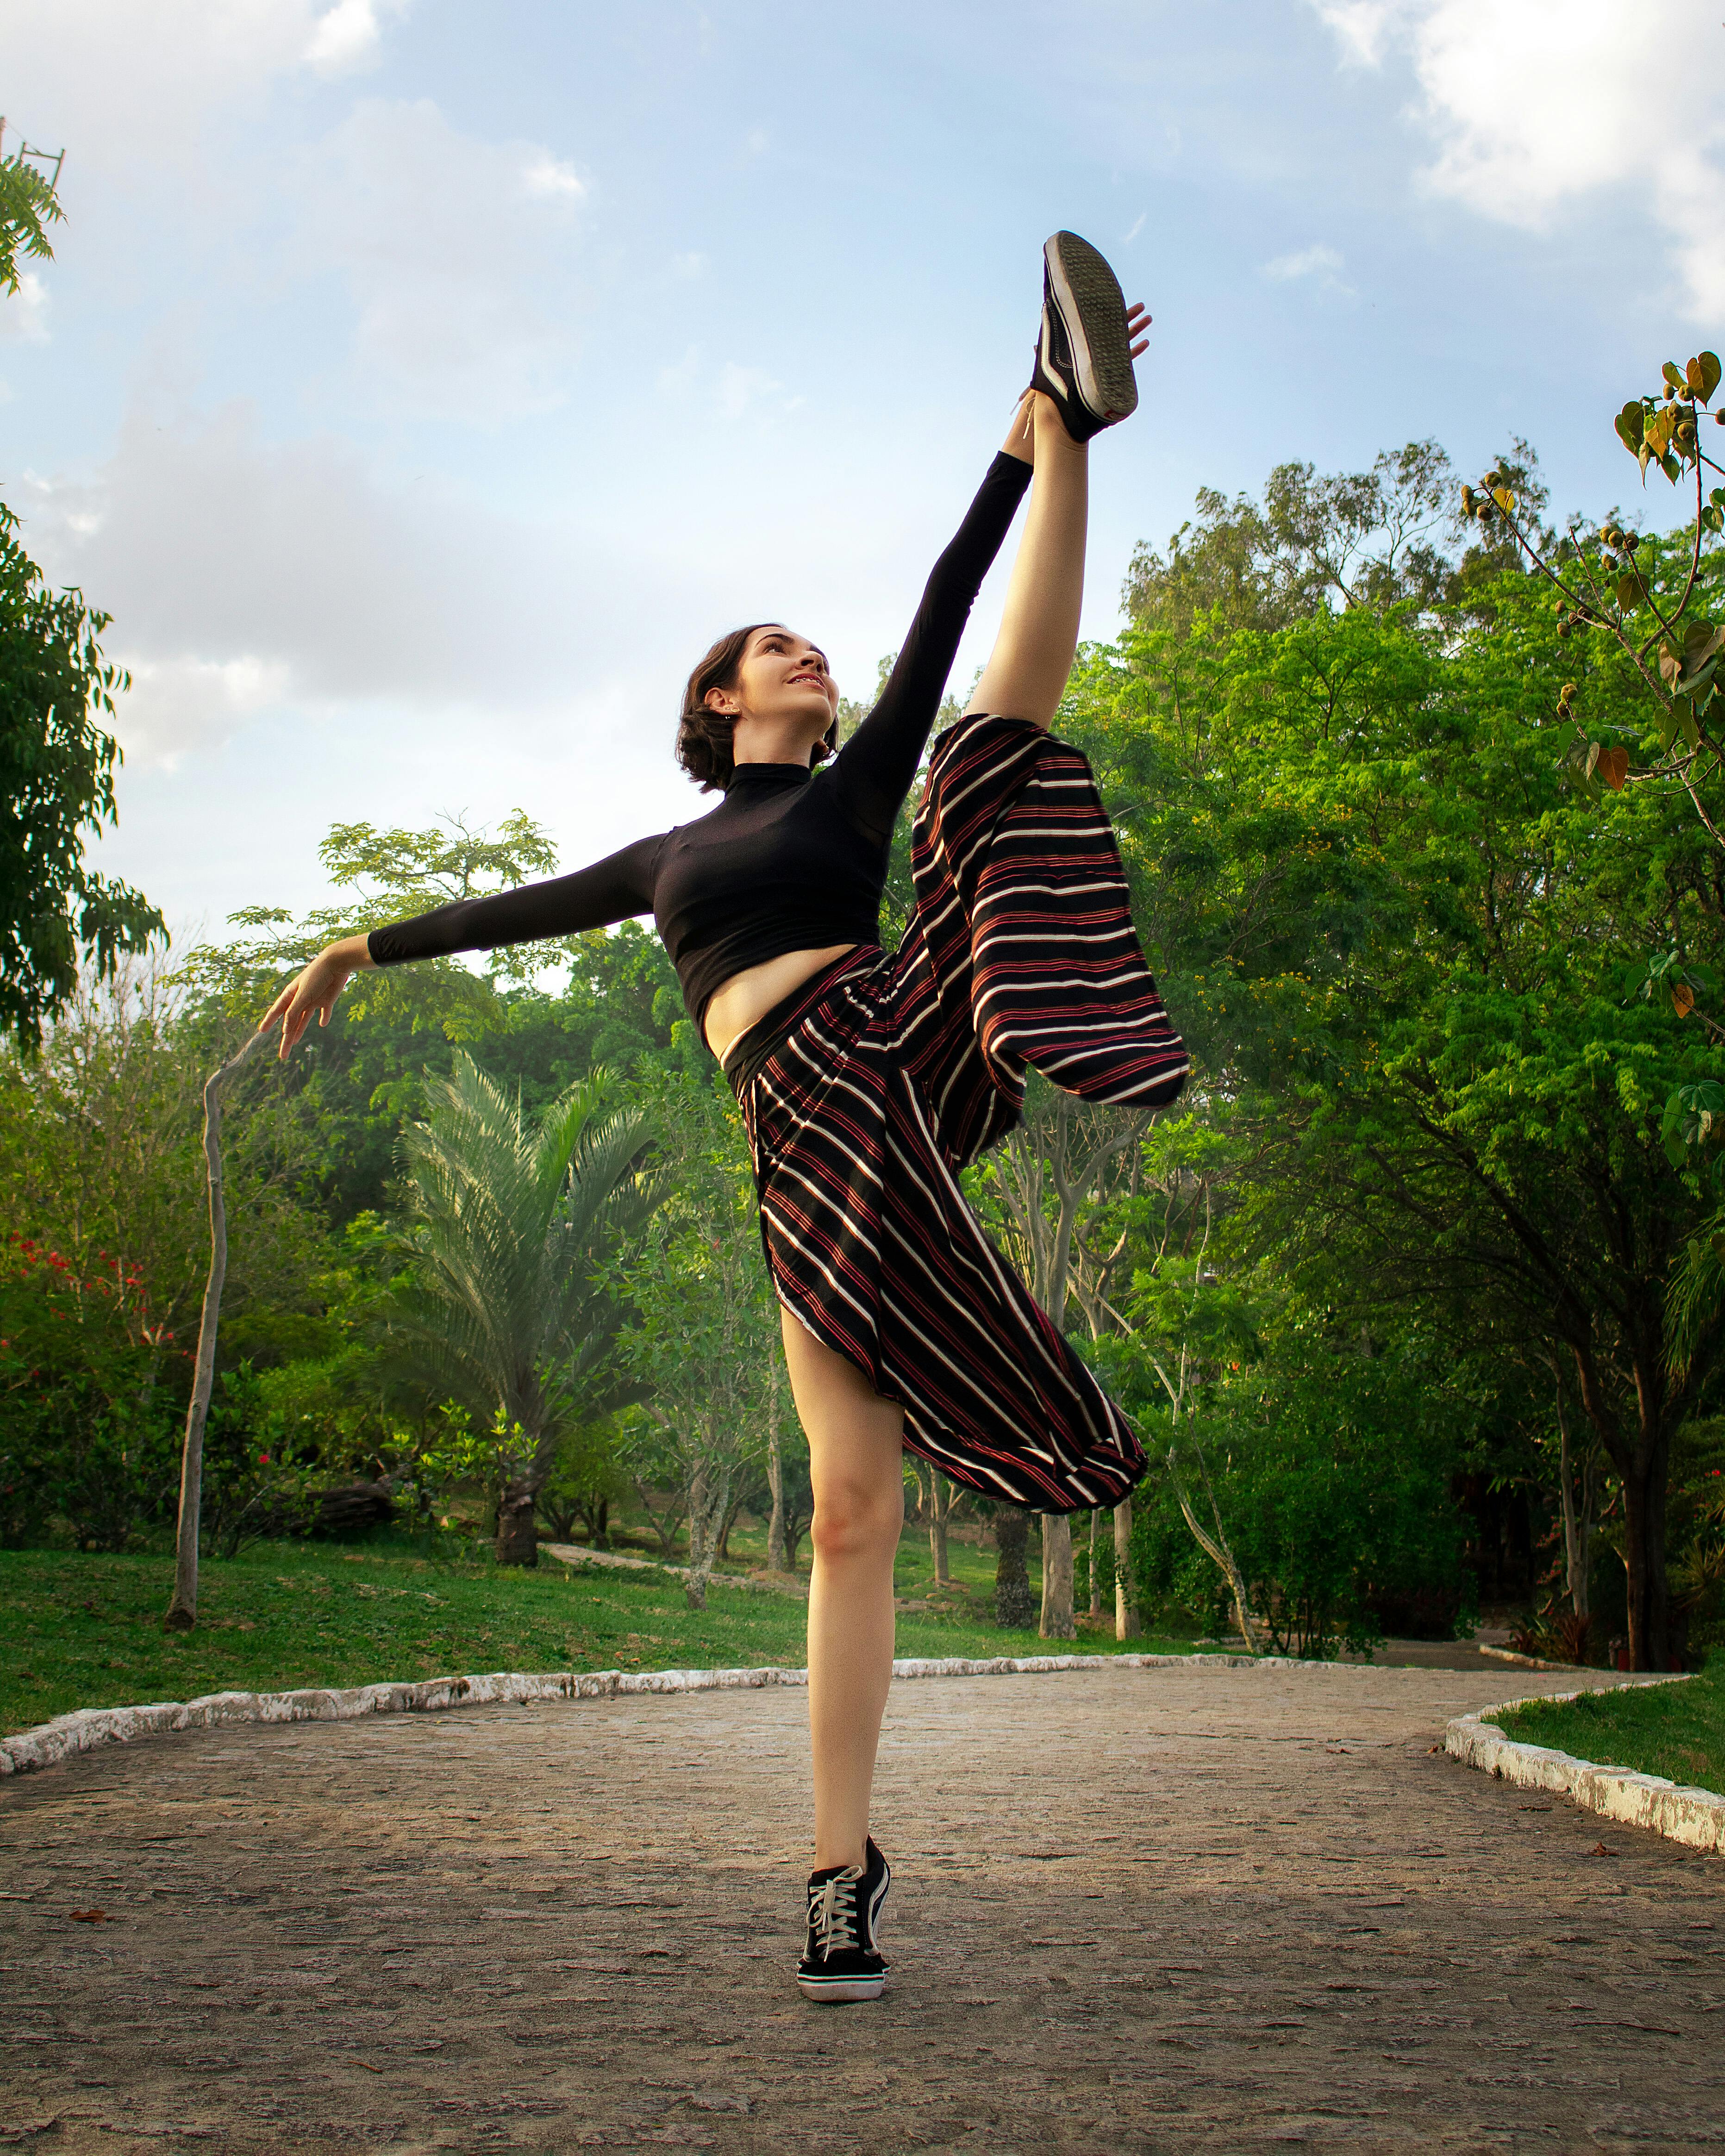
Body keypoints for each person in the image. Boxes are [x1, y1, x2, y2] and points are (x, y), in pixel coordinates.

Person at [263, 231, 1189, 2006]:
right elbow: (507, 908)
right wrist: (355, 942)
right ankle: (840, 1870)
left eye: (809, 645)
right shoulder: (670, 854)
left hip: (894, 1034)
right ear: (717, 701)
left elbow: (940, 593)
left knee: (985, 744)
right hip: (807, 1144)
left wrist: (1036, 429)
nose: (812, 651)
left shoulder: (849, 792)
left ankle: (1078, 413)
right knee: (850, 1510)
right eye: (778, 645)